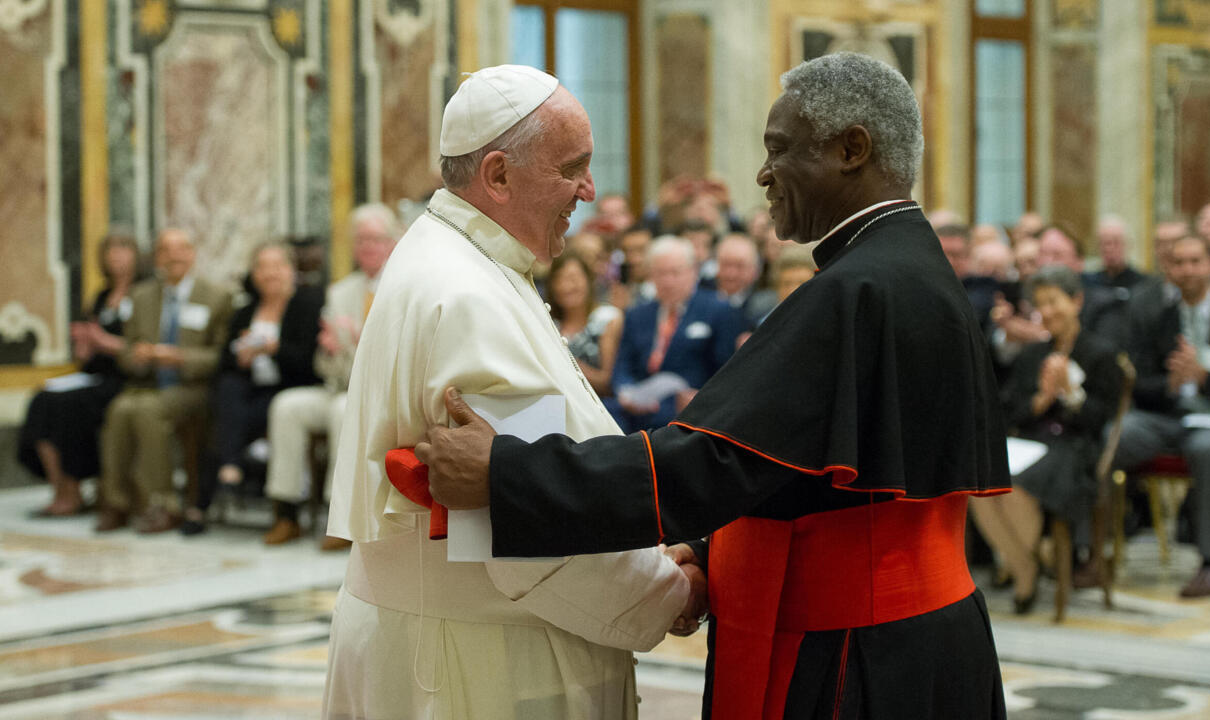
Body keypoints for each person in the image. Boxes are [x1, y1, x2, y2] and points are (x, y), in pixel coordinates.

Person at [418, 52, 1009, 719]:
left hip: (861, 657)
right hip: (925, 639)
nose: (762, 173)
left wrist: (505, 473)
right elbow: (795, 465)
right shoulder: (911, 268)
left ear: (852, 150)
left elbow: (711, 460)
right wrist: (707, 550)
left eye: (780, 149)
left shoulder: (854, 291)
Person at [322, 65, 694, 720]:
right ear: (497, 175)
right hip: (482, 664)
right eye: (572, 169)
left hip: (440, 640)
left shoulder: (447, 254)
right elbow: (531, 531)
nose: (589, 189)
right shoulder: (468, 295)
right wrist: (671, 593)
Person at [1112, 233, 1210, 598]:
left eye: (1195, 261)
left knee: (1207, 449)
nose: (1187, 270)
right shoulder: (1160, 318)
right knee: (1114, 436)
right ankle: (1087, 550)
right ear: (1168, 269)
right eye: (1178, 262)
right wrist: (1170, 382)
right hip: (1170, 418)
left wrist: (1203, 378)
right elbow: (1139, 384)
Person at [970, 267, 1120, 613]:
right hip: (1031, 443)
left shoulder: (1100, 353)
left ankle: (1023, 573)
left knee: (1017, 488)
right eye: (1041, 304)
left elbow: (1099, 419)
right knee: (979, 488)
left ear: (1076, 301)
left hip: (1075, 449)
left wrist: (1070, 392)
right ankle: (1030, 562)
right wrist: (1041, 399)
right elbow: (1010, 410)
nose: (1048, 311)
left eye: (1054, 302)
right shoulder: (1033, 354)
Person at [260, 203, 400, 548]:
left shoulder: (403, 288)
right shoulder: (340, 292)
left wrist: (355, 342)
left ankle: (338, 517)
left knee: (341, 411)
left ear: (392, 243)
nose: (368, 247)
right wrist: (330, 351)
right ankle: (286, 512)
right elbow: (324, 367)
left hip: (383, 394)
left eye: (376, 239)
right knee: (287, 405)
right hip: (340, 384)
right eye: (361, 240)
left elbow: (393, 359)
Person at [97, 229, 233, 534]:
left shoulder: (217, 297)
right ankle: (117, 501)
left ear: (193, 254)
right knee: (120, 409)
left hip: (194, 388)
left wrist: (179, 357)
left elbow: (221, 356)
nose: (174, 256)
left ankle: (163, 504)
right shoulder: (141, 295)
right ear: (157, 258)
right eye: (166, 250)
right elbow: (126, 350)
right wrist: (138, 356)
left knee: (147, 411)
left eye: (182, 249)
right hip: (148, 383)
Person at [182, 242, 323, 535]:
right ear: (254, 274)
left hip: (287, 389)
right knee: (228, 390)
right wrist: (241, 357)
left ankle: (206, 496)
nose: (270, 273)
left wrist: (274, 349)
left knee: (227, 421)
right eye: (262, 267)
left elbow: (309, 363)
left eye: (277, 266)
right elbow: (225, 360)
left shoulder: (307, 306)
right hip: (248, 390)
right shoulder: (246, 311)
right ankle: (231, 467)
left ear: (291, 270)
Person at [18, 230, 141, 516]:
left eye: (123, 248)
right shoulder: (101, 297)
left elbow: (141, 348)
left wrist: (104, 342)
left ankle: (73, 489)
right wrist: (85, 347)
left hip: (124, 378)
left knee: (69, 406)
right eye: (110, 250)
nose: (116, 256)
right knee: (42, 399)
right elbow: (87, 352)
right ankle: (60, 488)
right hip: (93, 375)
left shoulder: (144, 295)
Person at [611, 236, 743, 432]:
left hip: (687, 409)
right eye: (660, 273)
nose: (668, 281)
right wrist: (625, 392)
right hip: (638, 404)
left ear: (693, 272)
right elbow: (622, 364)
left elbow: (726, 369)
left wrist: (701, 397)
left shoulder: (718, 310)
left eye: (675, 273)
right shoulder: (637, 314)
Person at [547, 250, 622, 397]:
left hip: (599, 403)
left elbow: (608, 382)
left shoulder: (607, 318)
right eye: (559, 279)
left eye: (573, 278)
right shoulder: (549, 323)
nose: (566, 286)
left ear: (588, 280)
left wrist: (566, 363)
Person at [1084, 215, 1145, 291]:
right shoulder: (1089, 283)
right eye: (1104, 243)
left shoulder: (1142, 284)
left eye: (1116, 242)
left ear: (1127, 245)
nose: (1109, 249)